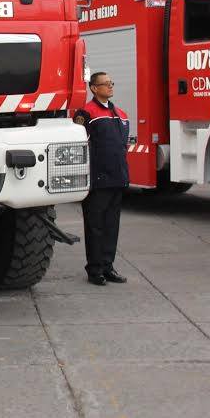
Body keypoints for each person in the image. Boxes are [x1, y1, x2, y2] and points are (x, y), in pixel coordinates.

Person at [73, 71, 129, 286]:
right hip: (98, 180)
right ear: (94, 88)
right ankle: (95, 270)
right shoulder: (86, 113)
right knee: (95, 227)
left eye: (111, 83)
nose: (110, 87)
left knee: (111, 227)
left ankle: (108, 266)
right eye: (105, 84)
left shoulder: (120, 114)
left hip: (117, 178)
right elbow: (80, 145)